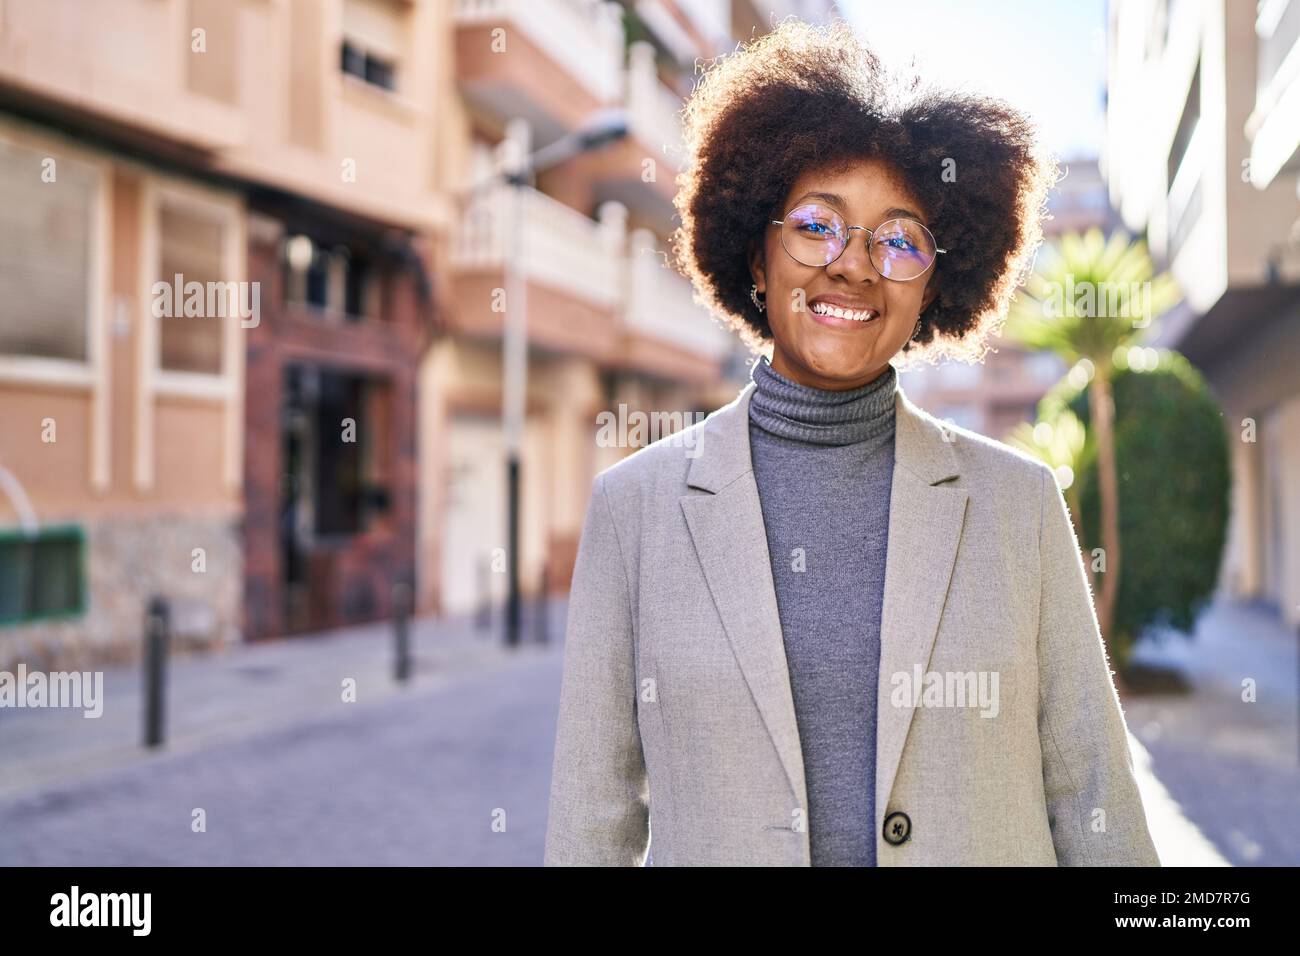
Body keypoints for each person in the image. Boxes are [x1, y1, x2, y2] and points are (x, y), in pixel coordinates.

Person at [543, 18, 1160, 866]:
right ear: (756, 259)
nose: (854, 265)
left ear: (935, 286)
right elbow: (592, 822)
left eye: (899, 239)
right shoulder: (634, 510)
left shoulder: (1019, 506)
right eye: (815, 225)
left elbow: (1095, 800)